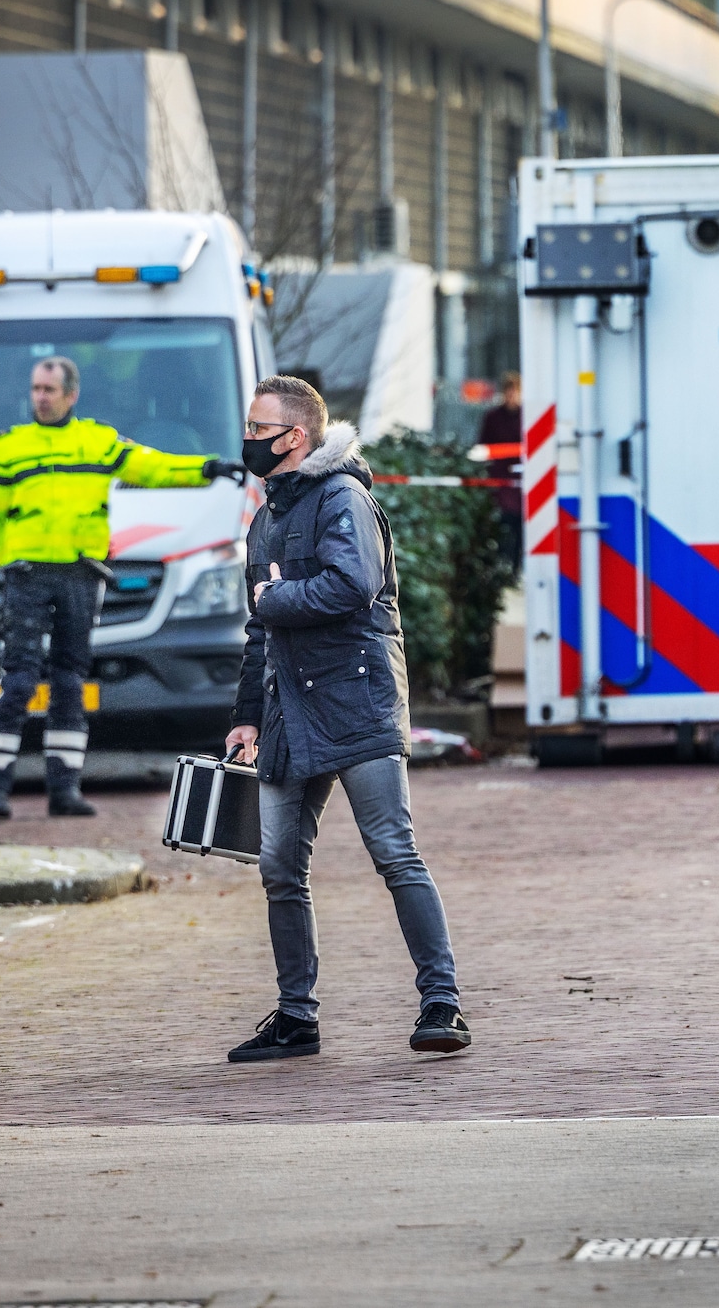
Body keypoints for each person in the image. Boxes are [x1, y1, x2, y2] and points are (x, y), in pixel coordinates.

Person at [223, 376, 470, 1062]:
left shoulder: (344, 497)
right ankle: (296, 1018)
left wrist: (276, 598)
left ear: (294, 436)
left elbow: (353, 584)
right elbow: (258, 627)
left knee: (394, 852)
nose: (248, 440)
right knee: (278, 865)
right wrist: (246, 717)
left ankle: (442, 1002)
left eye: (257, 428)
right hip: (287, 713)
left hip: (356, 703)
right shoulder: (267, 517)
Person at [0, 357, 247, 818]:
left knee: (70, 681)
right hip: (28, 577)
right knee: (18, 680)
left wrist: (209, 467)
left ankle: (64, 791)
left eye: (49, 389)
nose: (40, 396)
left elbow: (153, 467)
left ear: (71, 395)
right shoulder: (7, 447)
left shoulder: (98, 442)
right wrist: (9, 559)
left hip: (80, 575)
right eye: (36, 388)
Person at [475, 371, 524, 567]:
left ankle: (515, 567)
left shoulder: (527, 417)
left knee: (520, 528)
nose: (511, 395)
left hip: (522, 481)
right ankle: (504, 566)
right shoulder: (493, 417)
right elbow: (484, 447)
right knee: (505, 524)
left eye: (515, 391)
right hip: (501, 481)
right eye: (509, 391)